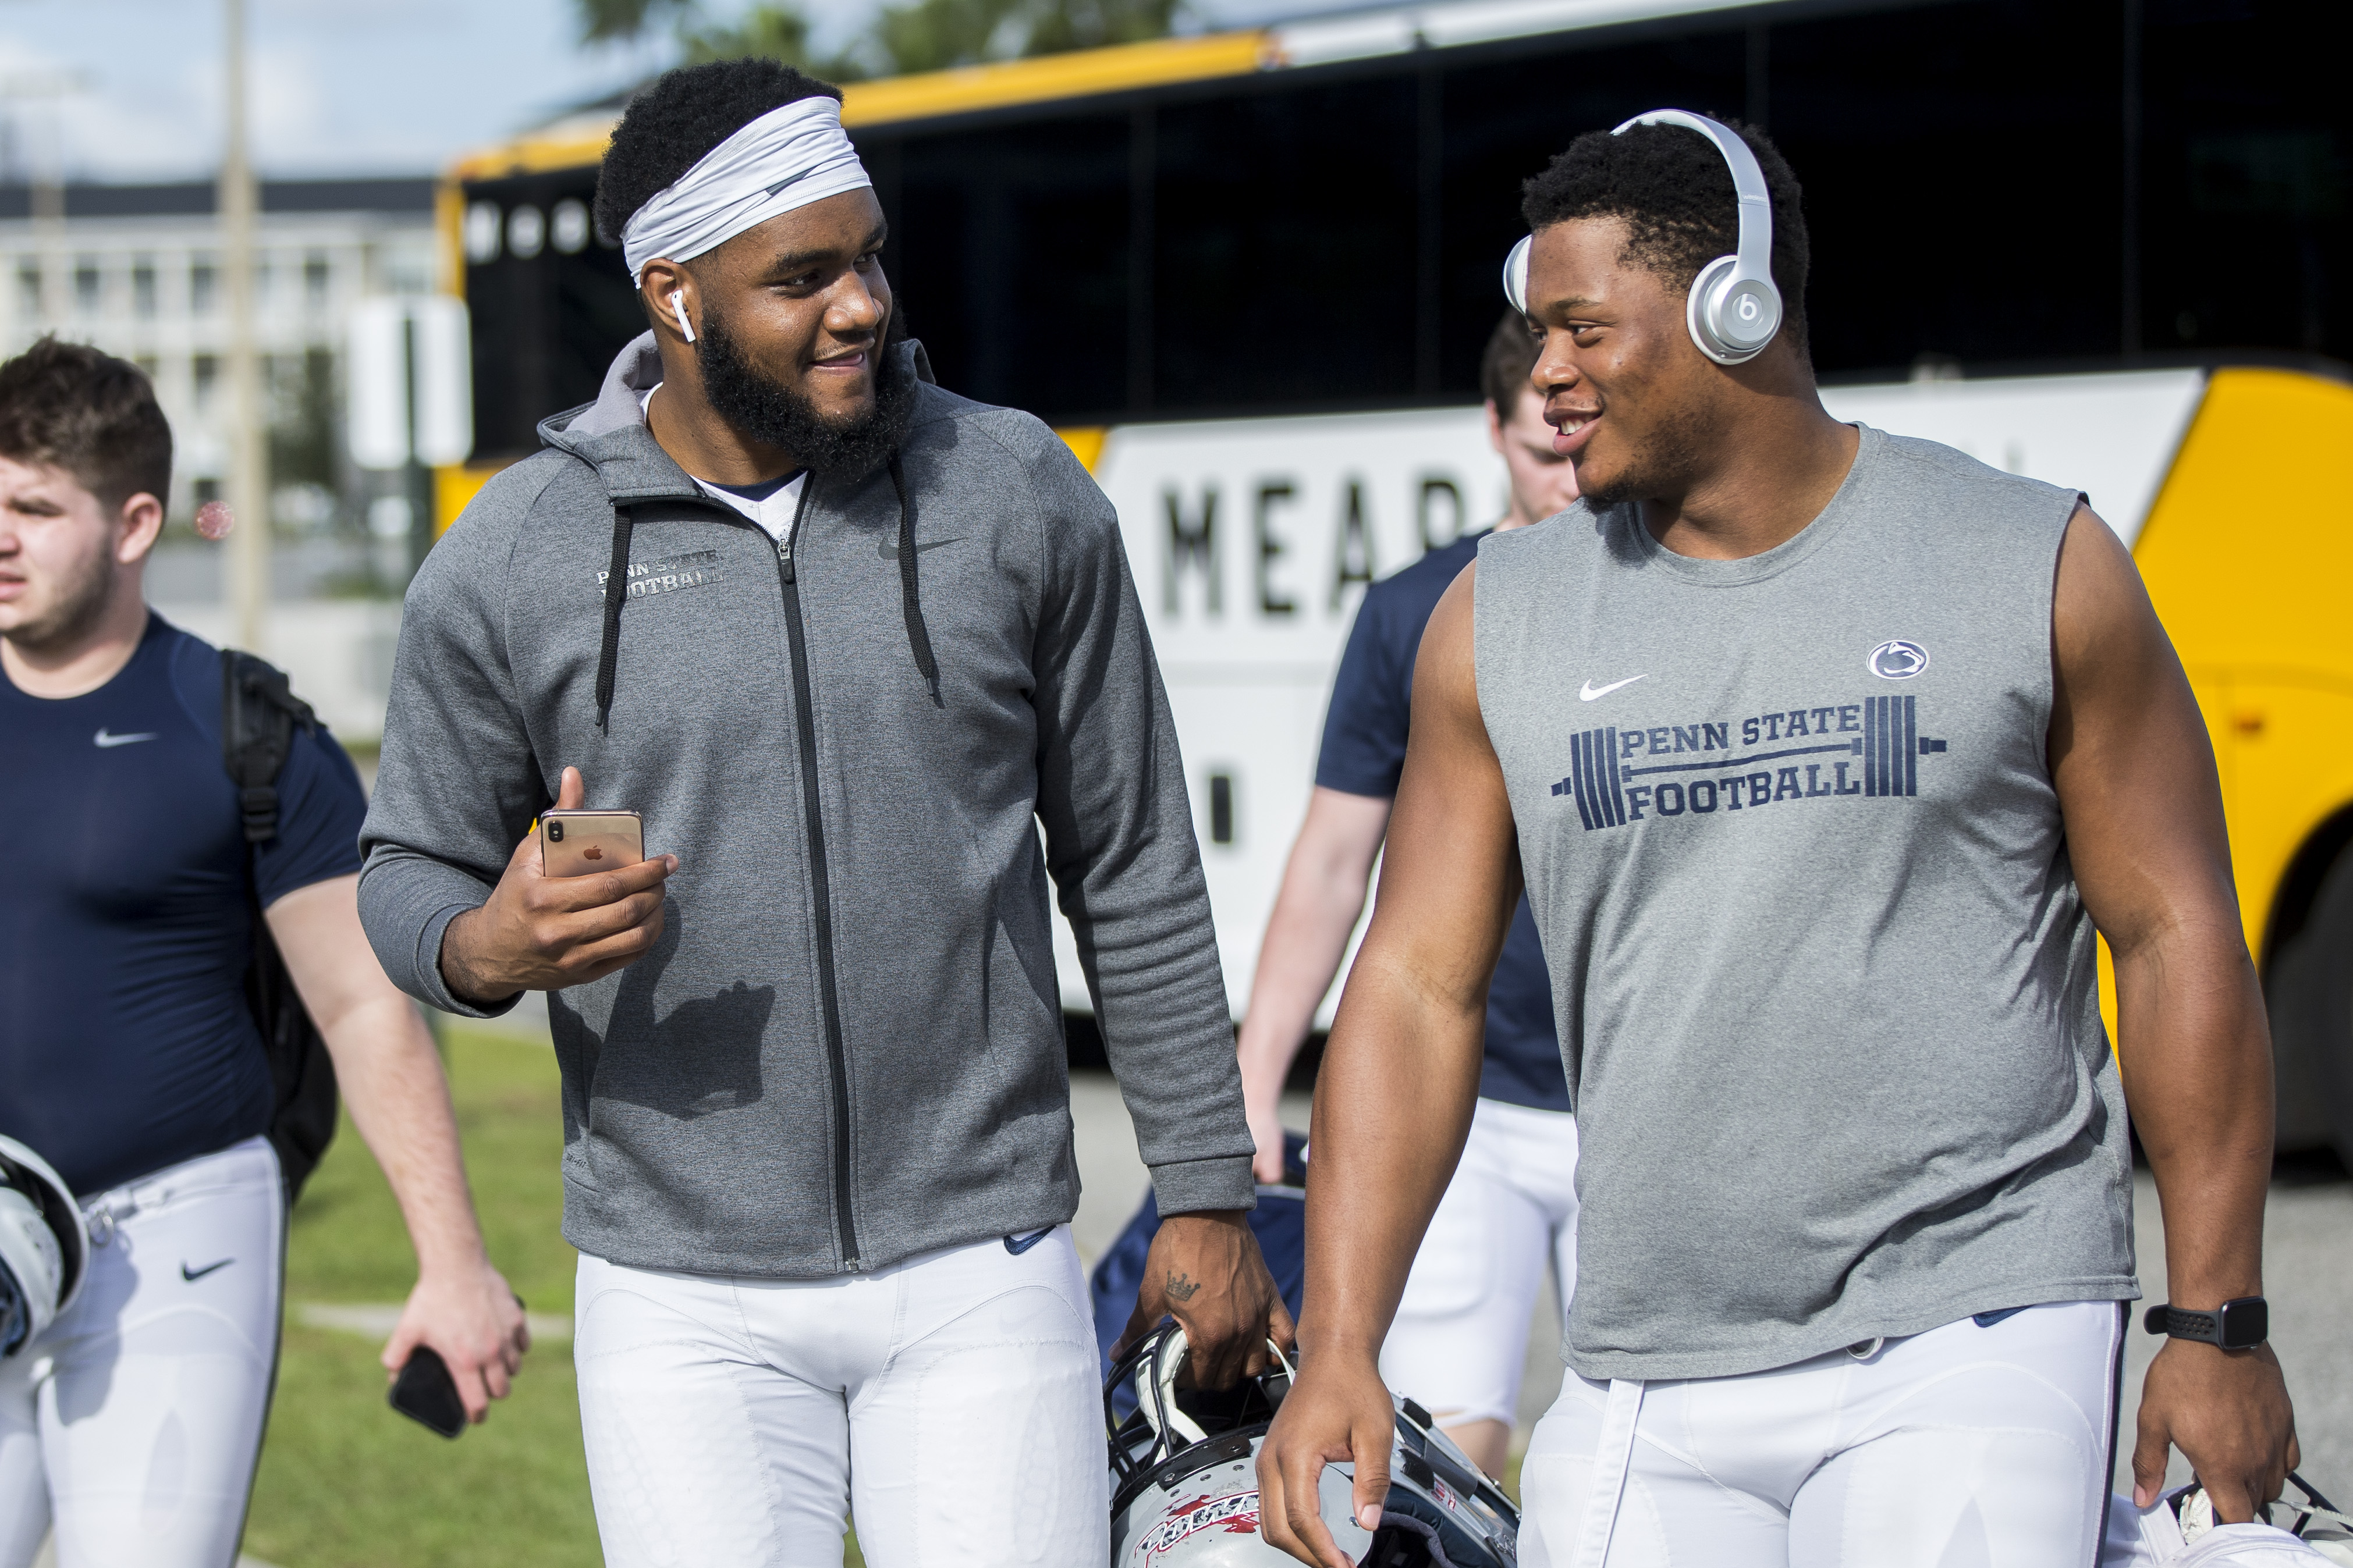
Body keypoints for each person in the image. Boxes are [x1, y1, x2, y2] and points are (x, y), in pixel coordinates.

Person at [1259, 113, 2297, 1568]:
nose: (1543, 374)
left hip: (1974, 1322)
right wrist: (1345, 1343)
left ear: (1734, 311)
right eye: (1533, 331)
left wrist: (2217, 1320)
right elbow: (1417, 982)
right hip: (1646, 1354)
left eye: (1582, 329)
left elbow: (2177, 928)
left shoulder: (2031, 562)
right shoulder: (1497, 618)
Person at [354, 59, 1288, 1568]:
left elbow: (1131, 864)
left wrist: (1202, 1192)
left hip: (983, 1259)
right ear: (677, 294)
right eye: (803, 277)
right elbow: (402, 864)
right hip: (683, 1295)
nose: (862, 303)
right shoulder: (517, 550)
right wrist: (484, 946)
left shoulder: (1016, 491)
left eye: (868, 255)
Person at [0, 339, 528, 1568]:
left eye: (33, 507)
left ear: (136, 523)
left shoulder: (243, 731)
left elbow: (361, 1006)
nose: (1, 537)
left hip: (176, 1236)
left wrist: (454, 1265)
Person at [1235, 310, 1581, 1479]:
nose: (1574, 477)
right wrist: (1254, 1072)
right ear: (1493, 431)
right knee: (1445, 1452)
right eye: (1546, 451)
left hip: (1637, 1102)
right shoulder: (1415, 612)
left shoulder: (1675, 593)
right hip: (1468, 1103)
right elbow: (1334, 860)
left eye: (1587, 443)